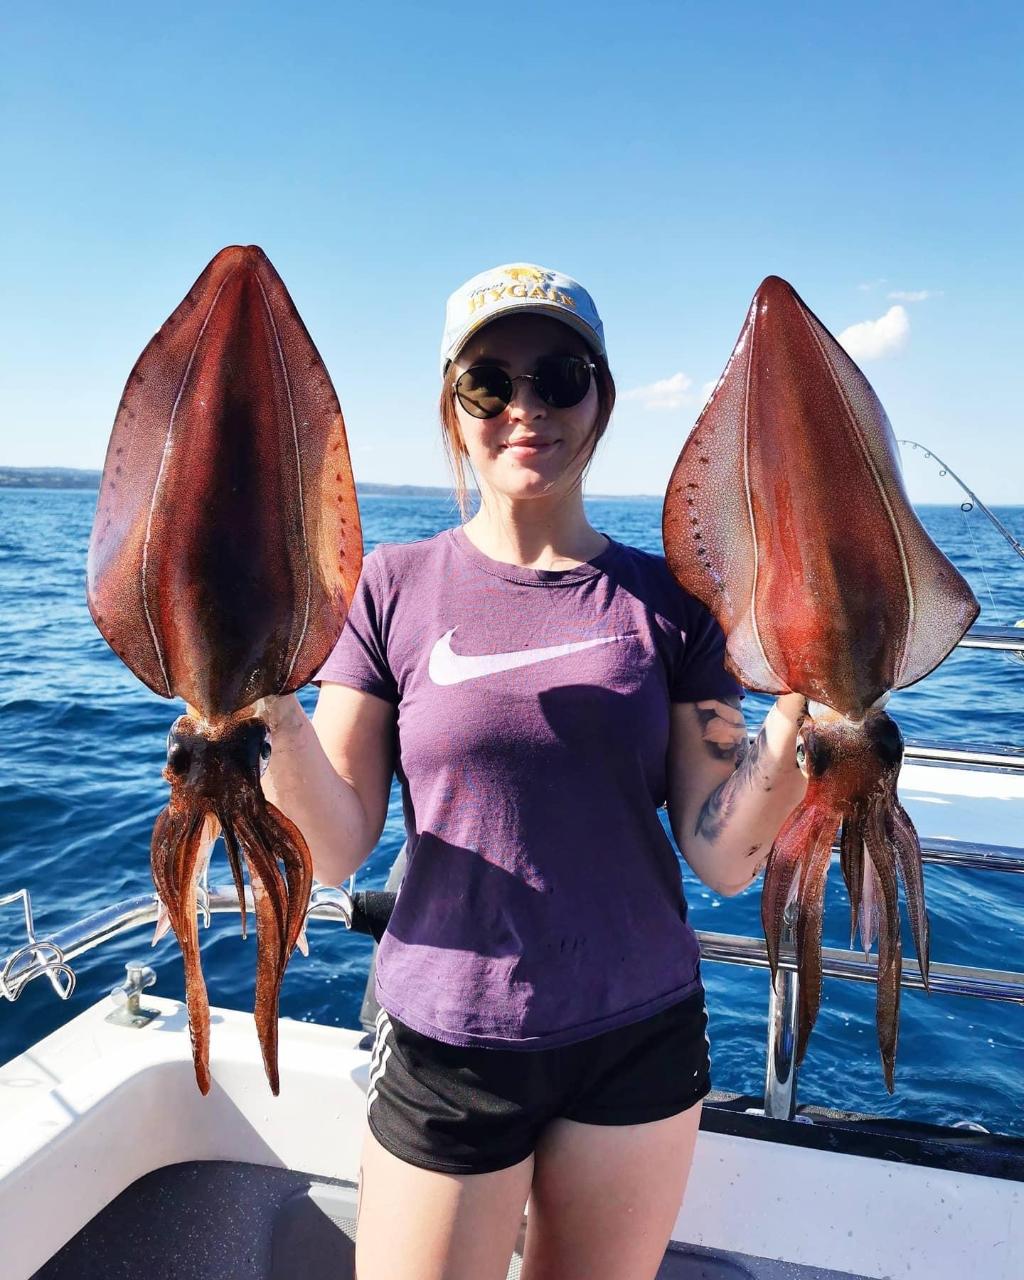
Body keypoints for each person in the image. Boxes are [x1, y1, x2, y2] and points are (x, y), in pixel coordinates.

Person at [261, 263, 808, 1280]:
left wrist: (802, 729)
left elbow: (722, 853)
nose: (526, 408)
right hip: (447, 1034)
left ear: (599, 399)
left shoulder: (672, 600)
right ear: (451, 404)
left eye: (559, 376)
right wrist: (263, 712)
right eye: (489, 383)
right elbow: (335, 840)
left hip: (637, 1027)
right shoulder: (389, 586)